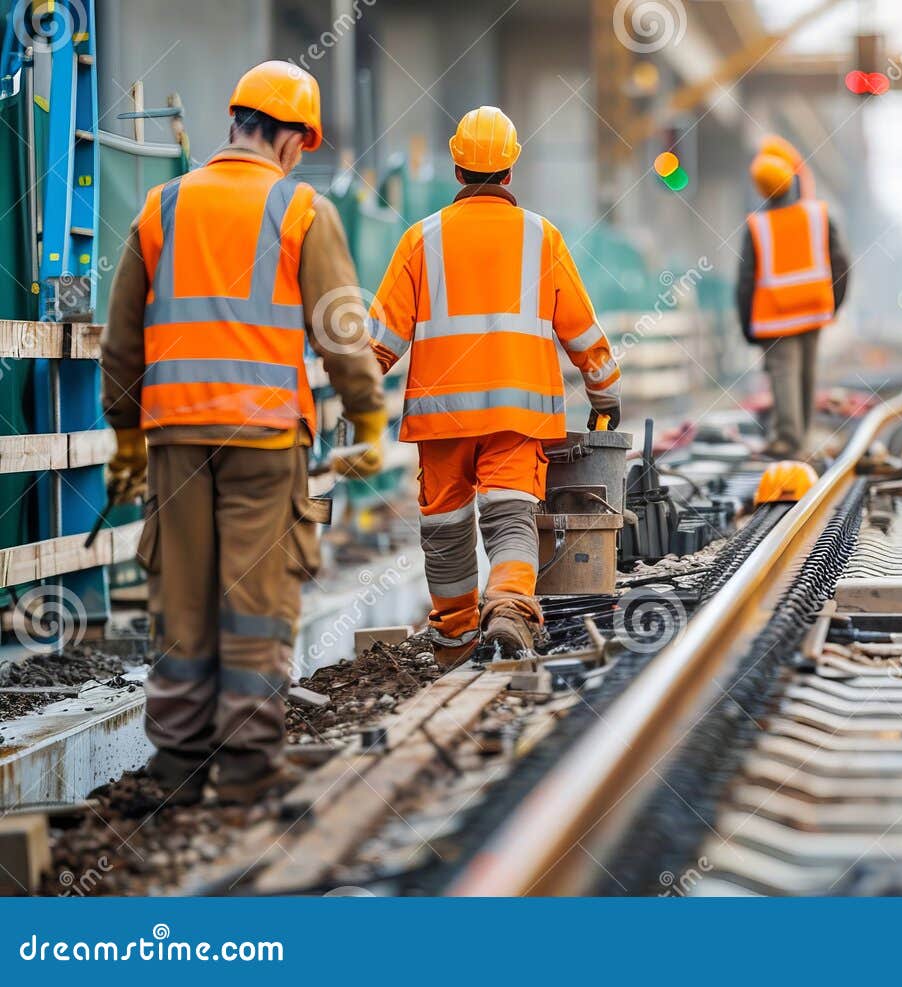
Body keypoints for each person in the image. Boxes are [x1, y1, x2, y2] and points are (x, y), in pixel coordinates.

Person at [101, 60, 387, 805]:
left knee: (183, 604)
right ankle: (249, 768)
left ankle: (178, 768)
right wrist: (367, 414)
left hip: (173, 440)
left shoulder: (162, 208)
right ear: (292, 139)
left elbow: (122, 340)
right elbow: (341, 329)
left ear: (235, 123)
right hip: (264, 442)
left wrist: (126, 437)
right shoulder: (300, 210)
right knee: (255, 601)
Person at [368, 106, 621, 668]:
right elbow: (580, 328)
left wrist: (354, 395)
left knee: (446, 527)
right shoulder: (541, 236)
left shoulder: (420, 239)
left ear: (457, 170)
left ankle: (455, 645)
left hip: (441, 419)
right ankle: (508, 609)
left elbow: (379, 342)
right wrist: (604, 389)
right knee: (511, 517)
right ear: (510, 172)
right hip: (517, 415)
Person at [736, 144, 849, 459]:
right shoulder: (818, 215)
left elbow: (746, 280)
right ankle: (801, 440)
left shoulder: (758, 226)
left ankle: (788, 440)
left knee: (784, 374)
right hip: (813, 309)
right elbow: (840, 263)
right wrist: (833, 304)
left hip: (775, 316)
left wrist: (747, 326)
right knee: (807, 374)